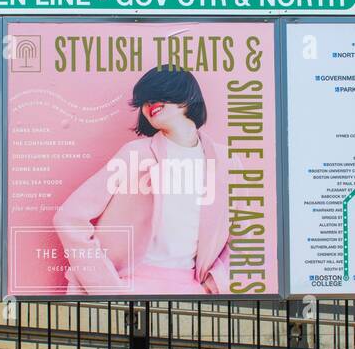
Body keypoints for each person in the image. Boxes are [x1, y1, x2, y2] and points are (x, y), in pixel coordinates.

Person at [52, 66, 232, 295]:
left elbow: (242, 235)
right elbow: (69, 218)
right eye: (144, 99)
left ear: (188, 95)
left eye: (160, 92)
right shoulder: (135, 154)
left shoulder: (226, 161)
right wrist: (105, 286)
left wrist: (213, 284)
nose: (149, 103)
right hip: (127, 286)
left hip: (191, 292)